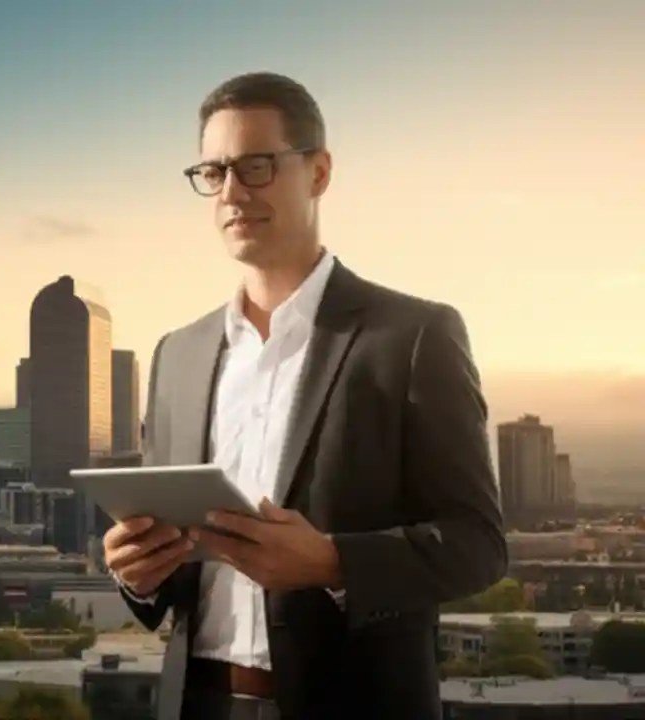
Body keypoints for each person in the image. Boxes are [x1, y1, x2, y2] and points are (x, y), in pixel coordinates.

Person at [102, 71, 507, 720]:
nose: (232, 191)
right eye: (214, 171)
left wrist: (332, 561)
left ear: (318, 172)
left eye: (257, 166)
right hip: (195, 701)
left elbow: (479, 544)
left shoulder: (411, 336)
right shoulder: (177, 354)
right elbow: (177, 565)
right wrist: (137, 572)